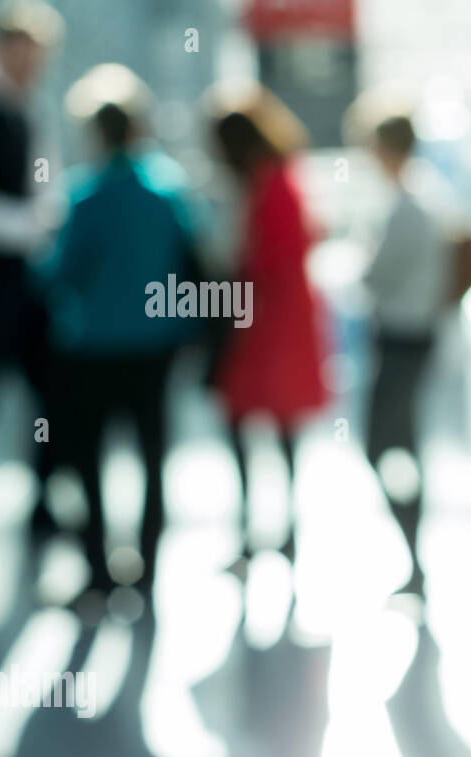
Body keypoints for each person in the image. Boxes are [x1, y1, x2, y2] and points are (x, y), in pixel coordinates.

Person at [43, 65, 201, 601]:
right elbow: (194, 264)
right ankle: (148, 565)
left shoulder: (84, 196)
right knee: (153, 454)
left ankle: (97, 566)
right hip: (155, 345)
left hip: (93, 346)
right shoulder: (169, 191)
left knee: (90, 457)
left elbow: (61, 274)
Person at [209, 87, 329, 567]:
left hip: (269, 326)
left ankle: (278, 528)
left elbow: (269, 261)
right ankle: (264, 527)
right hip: (266, 323)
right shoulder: (271, 181)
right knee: (265, 426)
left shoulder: (273, 184)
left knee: (270, 426)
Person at [358, 111, 456, 597]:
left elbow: (375, 276)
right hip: (415, 337)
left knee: (384, 445)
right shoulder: (423, 198)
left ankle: (414, 551)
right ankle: (414, 557)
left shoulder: (408, 207)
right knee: (401, 445)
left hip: (403, 339)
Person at [0, 0, 62, 539]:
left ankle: (43, 504)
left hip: (28, 281)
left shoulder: (29, 108)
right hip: (0, 280)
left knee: (49, 393)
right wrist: (35, 225)